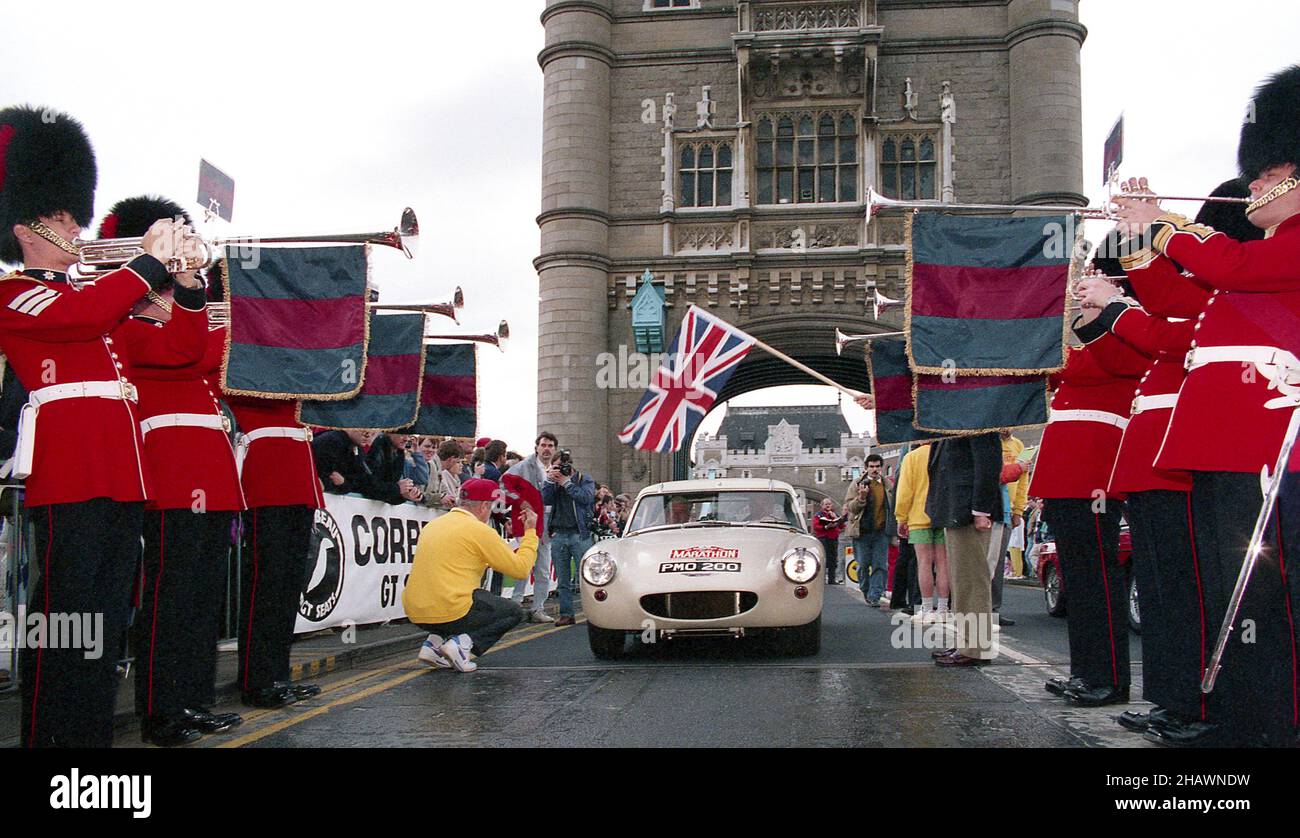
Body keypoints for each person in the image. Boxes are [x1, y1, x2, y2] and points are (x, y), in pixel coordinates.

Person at [0, 107, 208, 747]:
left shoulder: (97, 296)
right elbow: (81, 315)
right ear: (27, 228)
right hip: (69, 475)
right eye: (63, 218)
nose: (76, 226)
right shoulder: (18, 295)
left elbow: (181, 351)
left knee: (104, 623)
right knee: (67, 619)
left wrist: (188, 284)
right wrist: (144, 265)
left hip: (120, 477)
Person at [1111, 66, 1300, 746]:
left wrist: (1162, 225)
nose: (1252, 184)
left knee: (1261, 599)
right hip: (1231, 443)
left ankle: (1264, 722)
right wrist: (1138, 233)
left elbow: (1226, 269)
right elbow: (1177, 301)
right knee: (1235, 595)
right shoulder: (1267, 258)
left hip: (1269, 441)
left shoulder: (1283, 250)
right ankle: (1244, 715)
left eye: (1266, 171)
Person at [99, 195, 246, 746]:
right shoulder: (130, 322)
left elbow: (218, 358)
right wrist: (195, 291)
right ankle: (162, 712)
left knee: (200, 600)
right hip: (172, 475)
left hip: (209, 472)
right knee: (171, 600)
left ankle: (190, 700)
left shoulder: (179, 316)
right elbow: (193, 353)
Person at [1028, 261, 1149, 705]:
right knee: (1079, 581)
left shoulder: (1127, 330)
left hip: (1094, 470)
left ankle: (1109, 678)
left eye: (1098, 277)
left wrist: (1102, 312)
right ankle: (1086, 671)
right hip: (1067, 473)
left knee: (1097, 578)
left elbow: (1106, 363)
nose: (1085, 288)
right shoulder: (1099, 335)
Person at [403, 478, 539, 671]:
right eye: (491, 507)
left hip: (415, 610)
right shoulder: (479, 530)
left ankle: (433, 645)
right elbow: (521, 569)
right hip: (451, 609)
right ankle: (462, 645)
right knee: (512, 611)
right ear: (484, 506)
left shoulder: (434, 524)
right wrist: (530, 533)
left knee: (465, 596)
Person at [926, 433, 1003, 666]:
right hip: (956, 507)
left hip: (968, 508)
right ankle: (966, 642)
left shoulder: (976, 413)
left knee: (972, 580)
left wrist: (981, 509)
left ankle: (976, 647)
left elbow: (988, 460)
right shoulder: (956, 416)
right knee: (961, 580)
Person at [505, 432, 559, 622]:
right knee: (524, 565)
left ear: (555, 449)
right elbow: (503, 487)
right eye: (543, 445)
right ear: (536, 447)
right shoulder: (522, 467)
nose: (546, 449)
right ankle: (515, 605)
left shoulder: (555, 470)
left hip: (546, 525)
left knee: (543, 569)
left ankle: (538, 609)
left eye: (550, 445)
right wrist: (521, 502)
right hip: (526, 522)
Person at [895, 443, 950, 623]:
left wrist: (901, 518)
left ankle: (926, 608)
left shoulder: (911, 457)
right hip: (944, 515)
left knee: (924, 563)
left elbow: (904, 491)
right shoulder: (946, 453)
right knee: (943, 564)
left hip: (919, 516)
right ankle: (943, 608)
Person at [542, 448, 596, 626]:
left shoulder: (583, 479)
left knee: (589, 577)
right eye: (555, 467)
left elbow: (586, 498)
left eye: (561, 467)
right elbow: (545, 500)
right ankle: (567, 614)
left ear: (569, 465)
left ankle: (595, 614)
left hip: (579, 534)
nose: (559, 471)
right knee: (562, 580)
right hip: (559, 534)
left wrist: (567, 483)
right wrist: (549, 482)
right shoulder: (553, 482)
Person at [844, 454, 896, 606]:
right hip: (862, 531)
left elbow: (893, 508)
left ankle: (875, 595)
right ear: (866, 468)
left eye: (877, 466)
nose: (874, 469)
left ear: (881, 467)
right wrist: (861, 497)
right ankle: (866, 591)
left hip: (881, 531)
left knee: (880, 564)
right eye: (871, 466)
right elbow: (850, 508)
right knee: (863, 564)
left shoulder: (887, 485)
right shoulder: (857, 484)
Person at [415, 438, 464, 509]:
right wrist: (439, 498)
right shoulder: (429, 466)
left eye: (434, 447)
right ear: (452, 459)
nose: (461, 465)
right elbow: (418, 493)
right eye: (458, 462)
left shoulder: (439, 470)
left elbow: (444, 494)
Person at [811, 498, 845, 584]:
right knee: (823, 559)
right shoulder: (818, 515)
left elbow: (842, 526)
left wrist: (836, 518)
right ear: (822, 505)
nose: (828, 505)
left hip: (833, 539)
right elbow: (815, 527)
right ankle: (821, 579)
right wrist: (826, 527)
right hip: (823, 538)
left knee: (833, 559)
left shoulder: (834, 514)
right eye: (826, 504)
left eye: (829, 504)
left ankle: (831, 579)